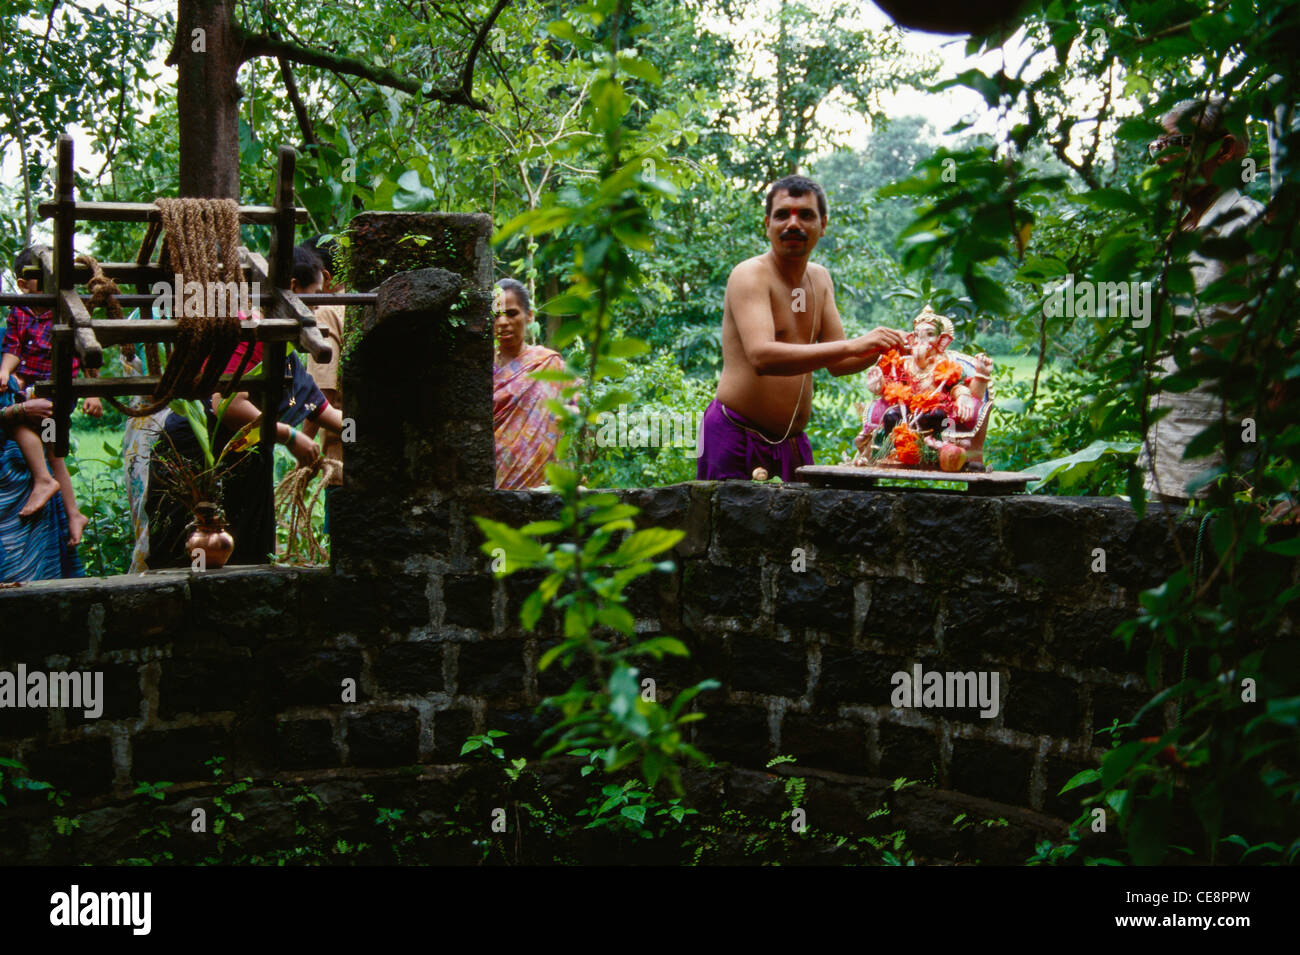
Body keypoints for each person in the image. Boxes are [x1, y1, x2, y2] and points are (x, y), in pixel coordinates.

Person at [145, 246, 345, 568]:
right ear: (292, 288)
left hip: (244, 462)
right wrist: (291, 437)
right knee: (186, 561)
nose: (319, 305)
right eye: (315, 294)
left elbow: (325, 413)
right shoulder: (246, 328)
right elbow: (227, 404)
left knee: (248, 557)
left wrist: (365, 434)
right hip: (198, 456)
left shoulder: (283, 351)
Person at [698, 175, 907, 482]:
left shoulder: (819, 279)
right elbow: (762, 357)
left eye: (805, 215)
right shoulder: (750, 275)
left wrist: (885, 347)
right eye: (783, 214)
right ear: (767, 224)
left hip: (791, 442)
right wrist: (855, 344)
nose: (792, 224)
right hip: (736, 436)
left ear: (823, 225)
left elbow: (838, 364)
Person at [1139, 96, 1266, 503]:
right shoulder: (1180, 235)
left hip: (1227, 470)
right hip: (1167, 460)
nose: (1160, 159)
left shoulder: (1250, 228)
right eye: (1156, 147)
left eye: (1174, 146)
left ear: (1225, 150)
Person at [1, 245, 104, 544]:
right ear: (23, 284)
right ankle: (74, 513)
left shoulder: (65, 311)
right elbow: (13, 348)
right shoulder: (19, 312)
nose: (50, 288)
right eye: (42, 281)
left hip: (56, 393)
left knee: (19, 421)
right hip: (31, 388)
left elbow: (86, 351)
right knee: (53, 449)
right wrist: (5, 371)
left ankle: (44, 481)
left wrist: (92, 393)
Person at [0, 396, 83, 581]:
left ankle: (74, 514)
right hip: (13, 492)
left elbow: (55, 455)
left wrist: (72, 513)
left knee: (53, 451)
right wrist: (19, 410)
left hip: (36, 494)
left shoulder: (38, 402)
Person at [493, 278, 565, 489]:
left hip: (542, 488)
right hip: (491, 484)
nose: (503, 321)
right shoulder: (481, 369)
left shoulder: (548, 364)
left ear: (529, 315)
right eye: (496, 315)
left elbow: (571, 422)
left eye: (512, 313)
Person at [301, 236, 346, 529]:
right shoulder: (358, 303)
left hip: (341, 462)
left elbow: (321, 397)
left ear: (324, 277)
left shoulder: (326, 312)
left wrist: (302, 459)